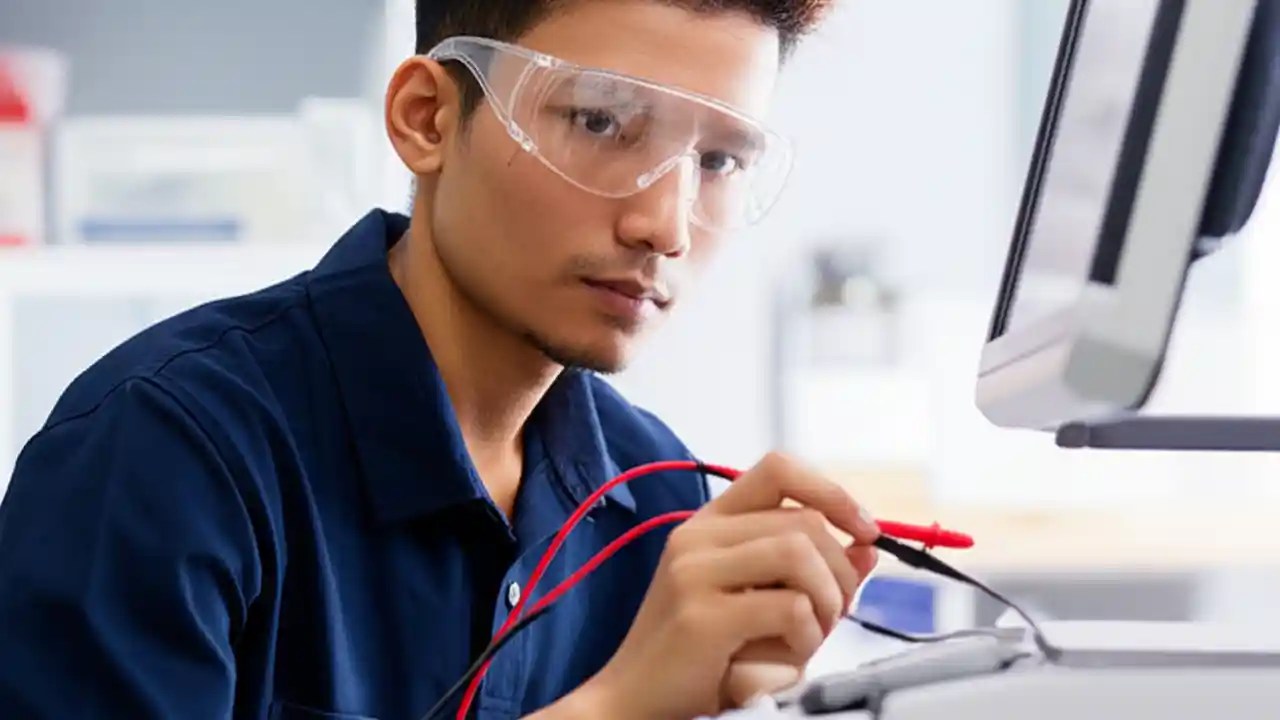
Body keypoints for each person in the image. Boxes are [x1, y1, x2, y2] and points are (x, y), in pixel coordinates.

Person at [0, 1, 882, 718]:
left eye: (720, 160)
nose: (667, 225)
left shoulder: (655, 494)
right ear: (427, 119)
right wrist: (617, 707)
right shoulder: (163, 451)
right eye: (603, 122)